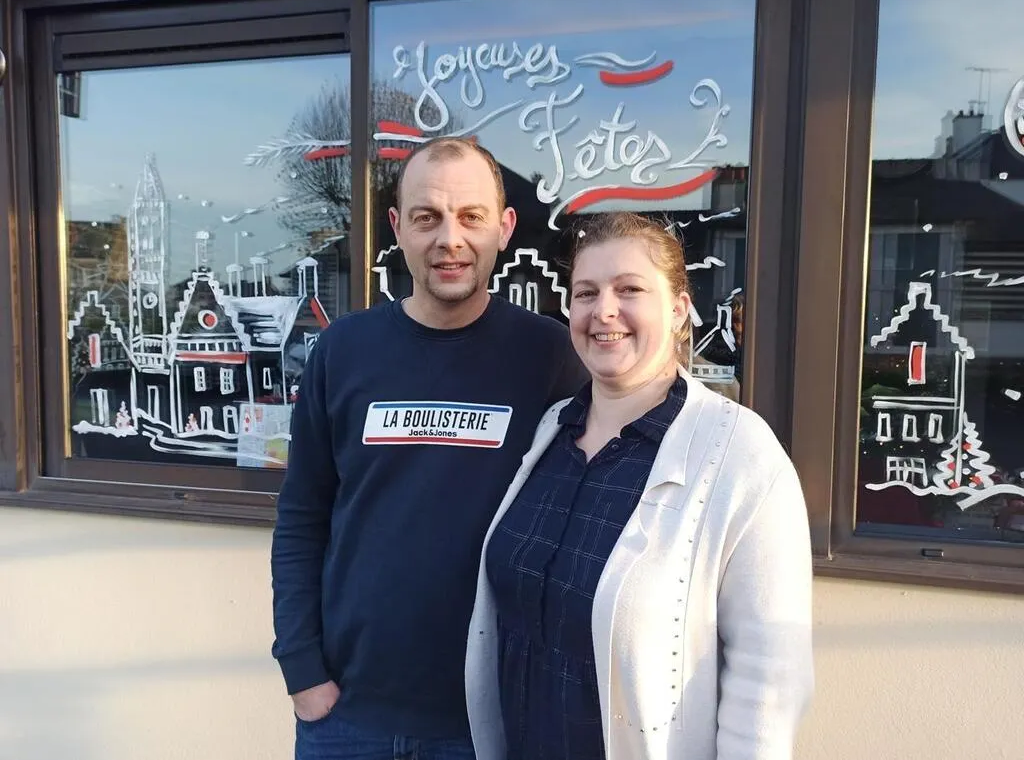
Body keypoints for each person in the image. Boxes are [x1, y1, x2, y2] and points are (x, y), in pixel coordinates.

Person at [271, 137, 588, 760]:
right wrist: (302, 669)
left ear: (504, 228)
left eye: (471, 217)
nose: (450, 239)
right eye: (427, 217)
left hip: (489, 721)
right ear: (397, 227)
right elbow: (302, 518)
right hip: (347, 718)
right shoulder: (342, 352)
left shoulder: (551, 357)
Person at [465, 211, 814, 760]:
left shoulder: (739, 454)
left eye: (629, 289)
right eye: (586, 292)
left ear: (677, 310)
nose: (604, 310)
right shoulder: (551, 430)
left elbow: (767, 680)